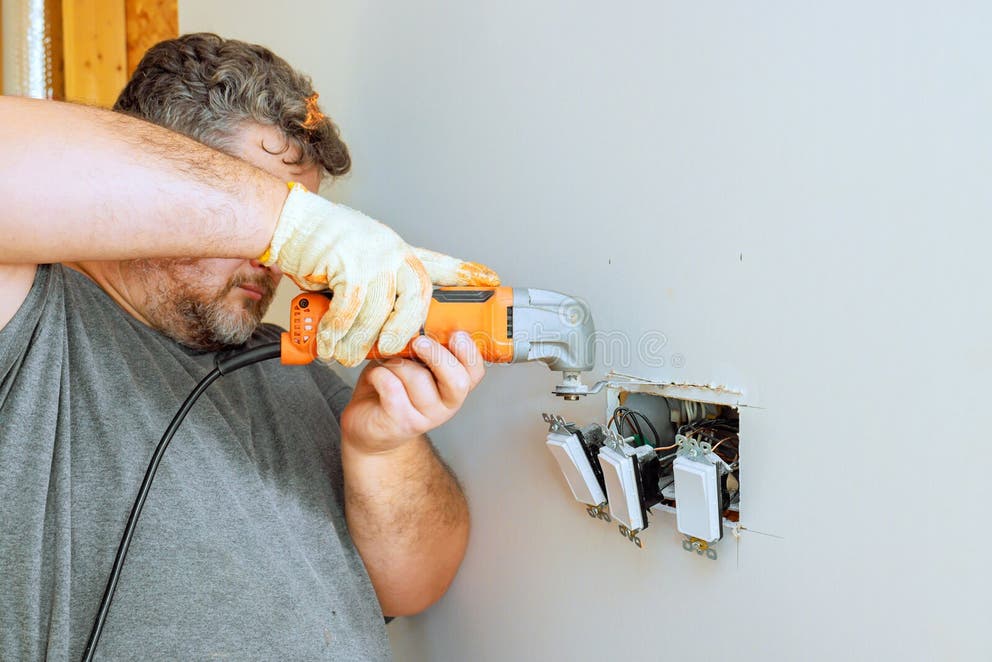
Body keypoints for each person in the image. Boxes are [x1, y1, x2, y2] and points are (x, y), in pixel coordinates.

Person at [0, 33, 497, 660]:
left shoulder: (285, 360)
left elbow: (415, 586)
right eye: (253, 206)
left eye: (300, 217)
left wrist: (382, 449)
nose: (280, 260)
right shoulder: (36, 320)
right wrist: (290, 226)